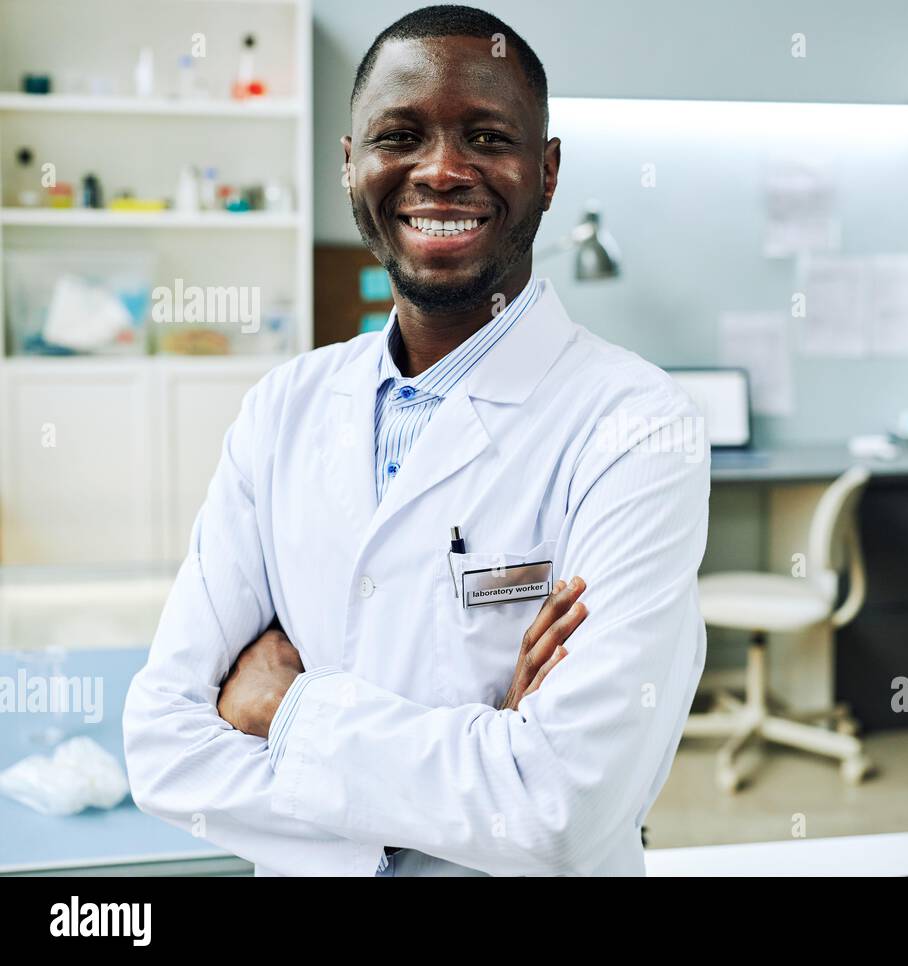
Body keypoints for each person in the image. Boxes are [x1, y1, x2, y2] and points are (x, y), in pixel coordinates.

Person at [123, 4, 710, 876]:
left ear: (546, 172)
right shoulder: (283, 408)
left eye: (486, 136)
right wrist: (477, 768)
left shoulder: (634, 422)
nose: (441, 170)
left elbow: (558, 809)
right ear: (350, 166)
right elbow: (165, 748)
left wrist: (286, 715)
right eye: (399, 136)